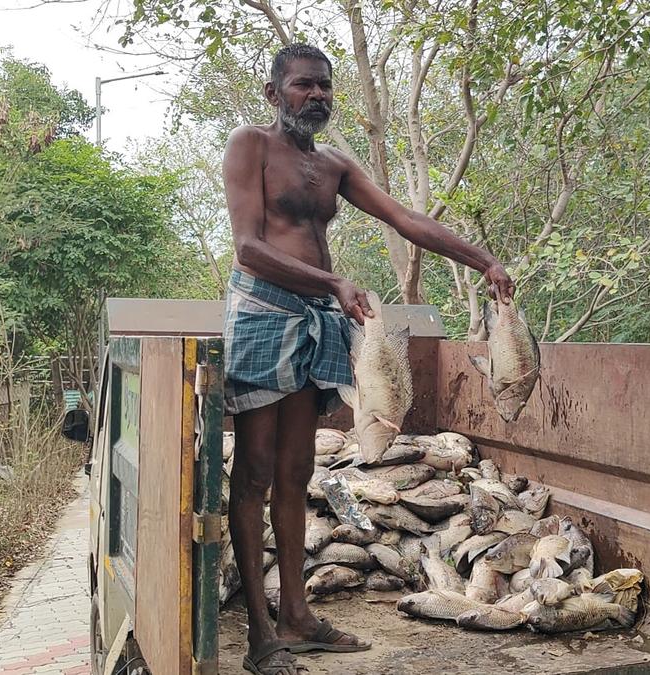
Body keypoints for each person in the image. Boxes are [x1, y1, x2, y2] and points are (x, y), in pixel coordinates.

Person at [221, 43, 515, 675]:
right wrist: (333, 285)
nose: (317, 96)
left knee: (298, 471)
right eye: (303, 86)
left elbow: (407, 219)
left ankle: (298, 616)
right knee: (254, 473)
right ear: (274, 94)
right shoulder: (251, 145)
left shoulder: (334, 163)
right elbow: (247, 247)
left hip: (318, 319)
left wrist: (482, 261)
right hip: (265, 313)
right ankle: (261, 636)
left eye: (325, 87)